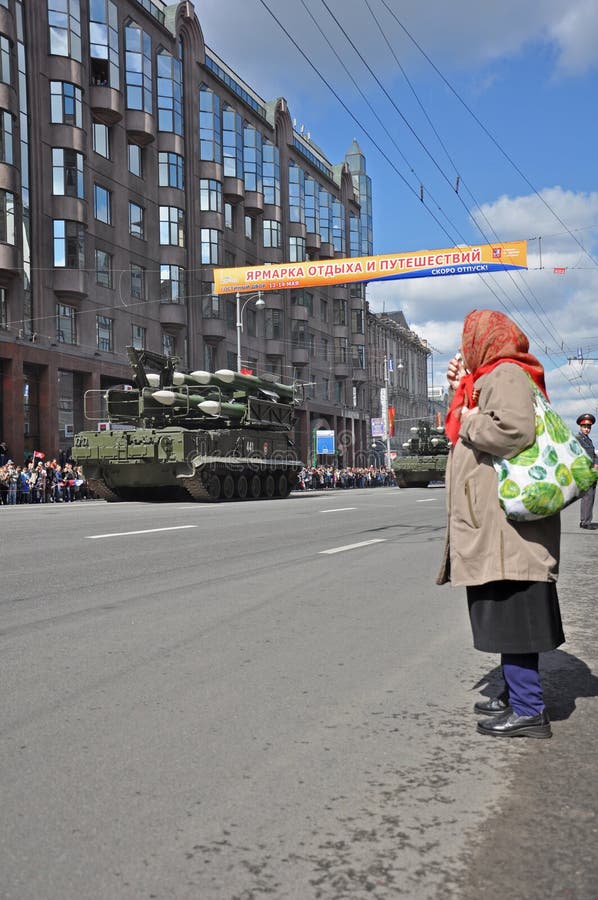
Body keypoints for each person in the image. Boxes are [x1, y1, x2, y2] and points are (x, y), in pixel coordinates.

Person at [437, 309, 564, 740]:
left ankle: (529, 710)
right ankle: (515, 696)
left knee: (514, 615)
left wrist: (471, 414)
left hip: (507, 527)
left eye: (467, 337)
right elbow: (467, 422)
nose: (464, 345)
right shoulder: (494, 374)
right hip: (499, 523)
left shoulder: (505, 373)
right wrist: (462, 390)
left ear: (484, 340)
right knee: (509, 612)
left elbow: (512, 430)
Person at [576, 413, 598, 529]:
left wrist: (596, 464)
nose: (587, 429)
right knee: (587, 497)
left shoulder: (588, 440)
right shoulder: (577, 439)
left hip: (592, 472)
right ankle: (585, 522)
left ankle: (586, 520)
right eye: (585, 427)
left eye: (588, 427)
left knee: (590, 497)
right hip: (585, 472)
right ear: (580, 427)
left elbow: (594, 455)